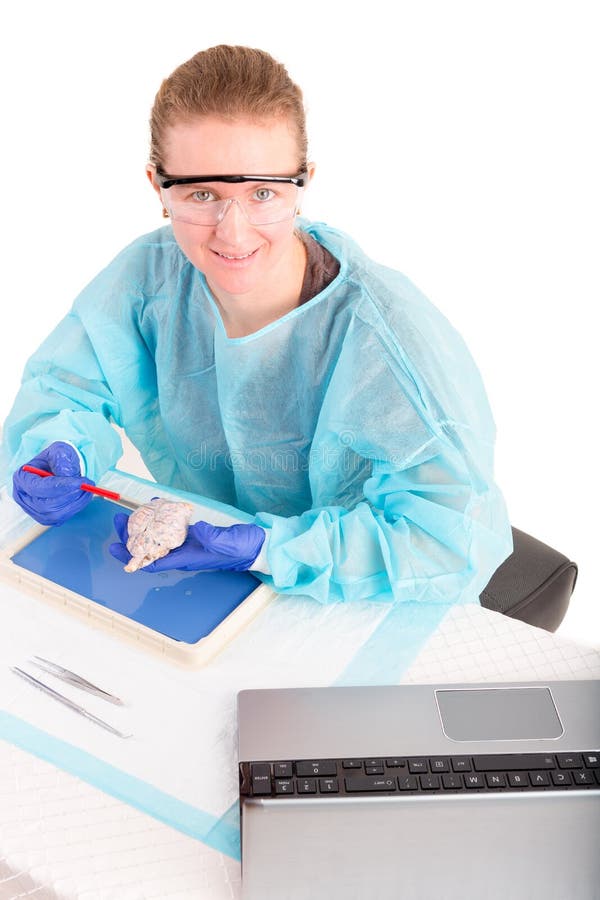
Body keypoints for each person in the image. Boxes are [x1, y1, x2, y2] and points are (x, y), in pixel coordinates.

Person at [3, 44, 512, 604]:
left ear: (303, 182)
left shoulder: (384, 339)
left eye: (262, 193)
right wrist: (58, 448)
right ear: (158, 187)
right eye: (203, 194)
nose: (234, 233)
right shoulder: (149, 278)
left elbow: (447, 544)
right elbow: (62, 389)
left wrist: (270, 550)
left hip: (363, 598)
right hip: (203, 586)